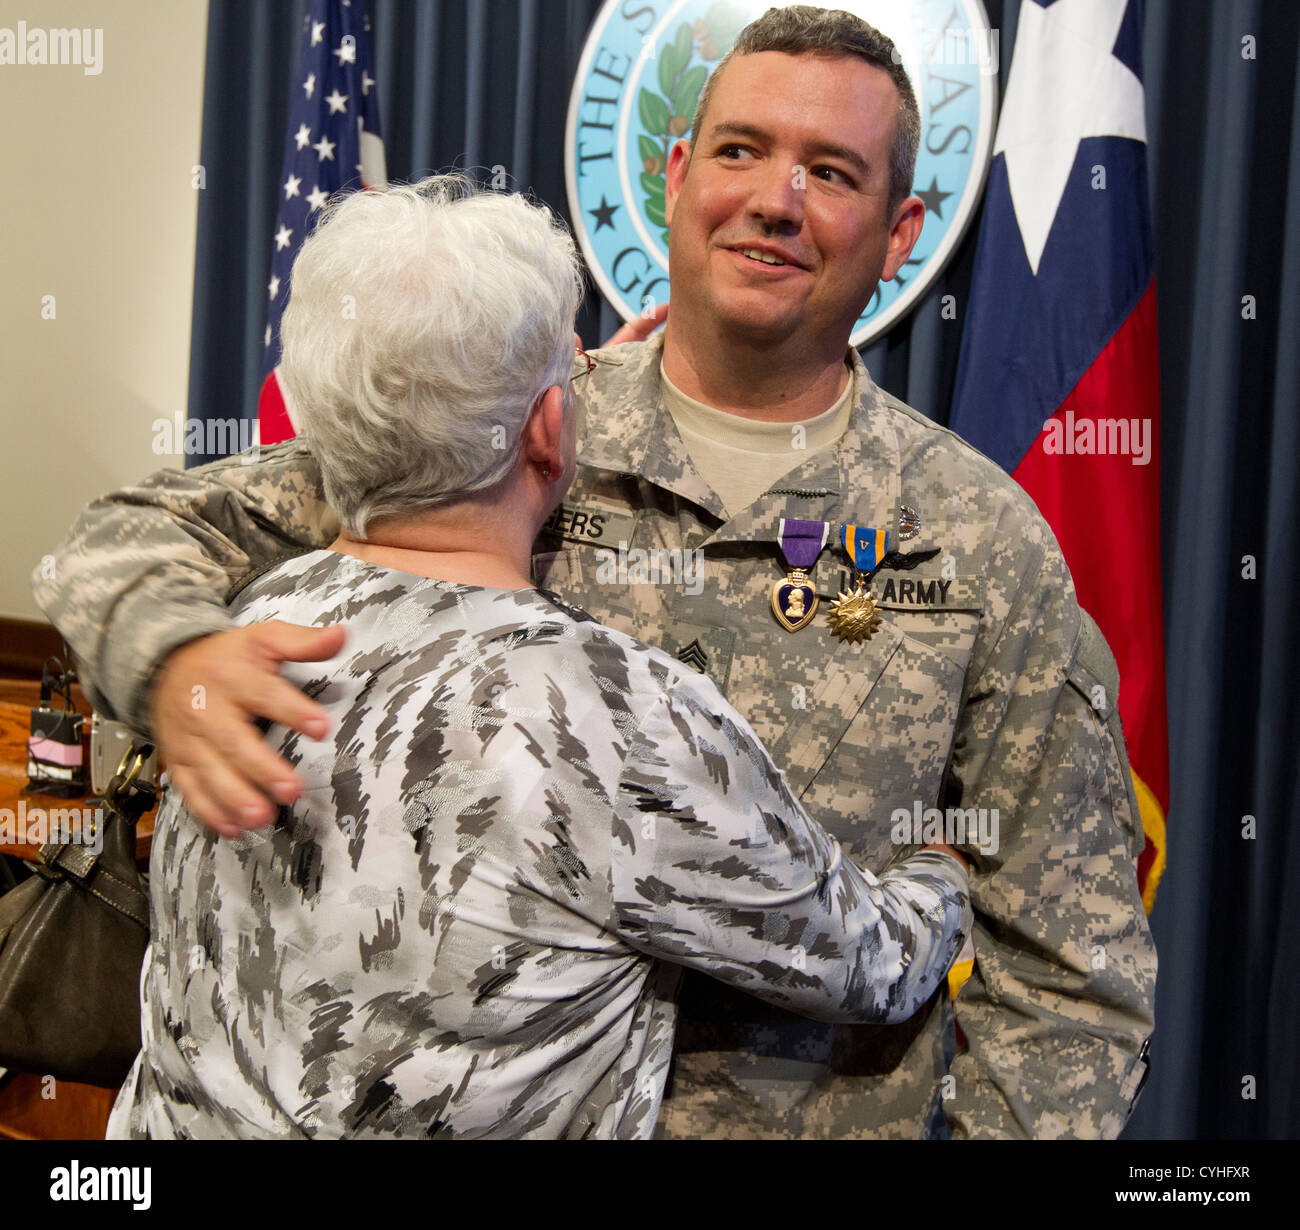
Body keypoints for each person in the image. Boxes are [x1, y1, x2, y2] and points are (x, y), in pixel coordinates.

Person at [38, 5, 1155, 1139]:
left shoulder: (979, 542)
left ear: (900, 228)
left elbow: (1073, 969)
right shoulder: (500, 428)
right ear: (674, 175)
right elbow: (122, 541)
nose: (775, 198)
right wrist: (175, 656)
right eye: (740, 150)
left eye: (831, 171)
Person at [103, 174, 971, 1140]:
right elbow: (869, 964)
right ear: (552, 432)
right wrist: (941, 875)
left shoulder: (236, 630)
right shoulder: (620, 715)